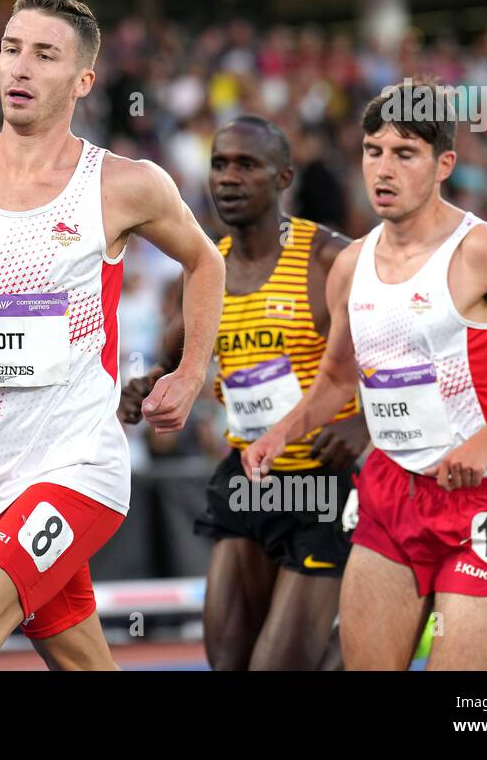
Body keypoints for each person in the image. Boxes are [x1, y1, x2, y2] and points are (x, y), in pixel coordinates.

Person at [0, 0, 225, 670]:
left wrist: (190, 371)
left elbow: (205, 260)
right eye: (11, 49)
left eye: (44, 54)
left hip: (80, 467)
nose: (21, 67)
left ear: (83, 80)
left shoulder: (122, 184)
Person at [242, 80, 487, 670]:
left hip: (480, 500)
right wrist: (282, 431)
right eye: (373, 152)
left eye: (405, 154)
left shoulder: (483, 253)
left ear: (444, 165)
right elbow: (338, 379)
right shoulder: (350, 265)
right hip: (389, 492)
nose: (383, 169)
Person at [123, 115, 368, 670]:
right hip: (247, 480)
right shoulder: (204, 269)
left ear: (283, 177)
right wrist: (149, 386)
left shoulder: (329, 260)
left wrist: (363, 424)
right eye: (219, 164)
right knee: (227, 661)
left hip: (320, 484)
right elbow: (173, 357)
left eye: (247, 165)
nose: (228, 177)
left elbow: (400, 348)